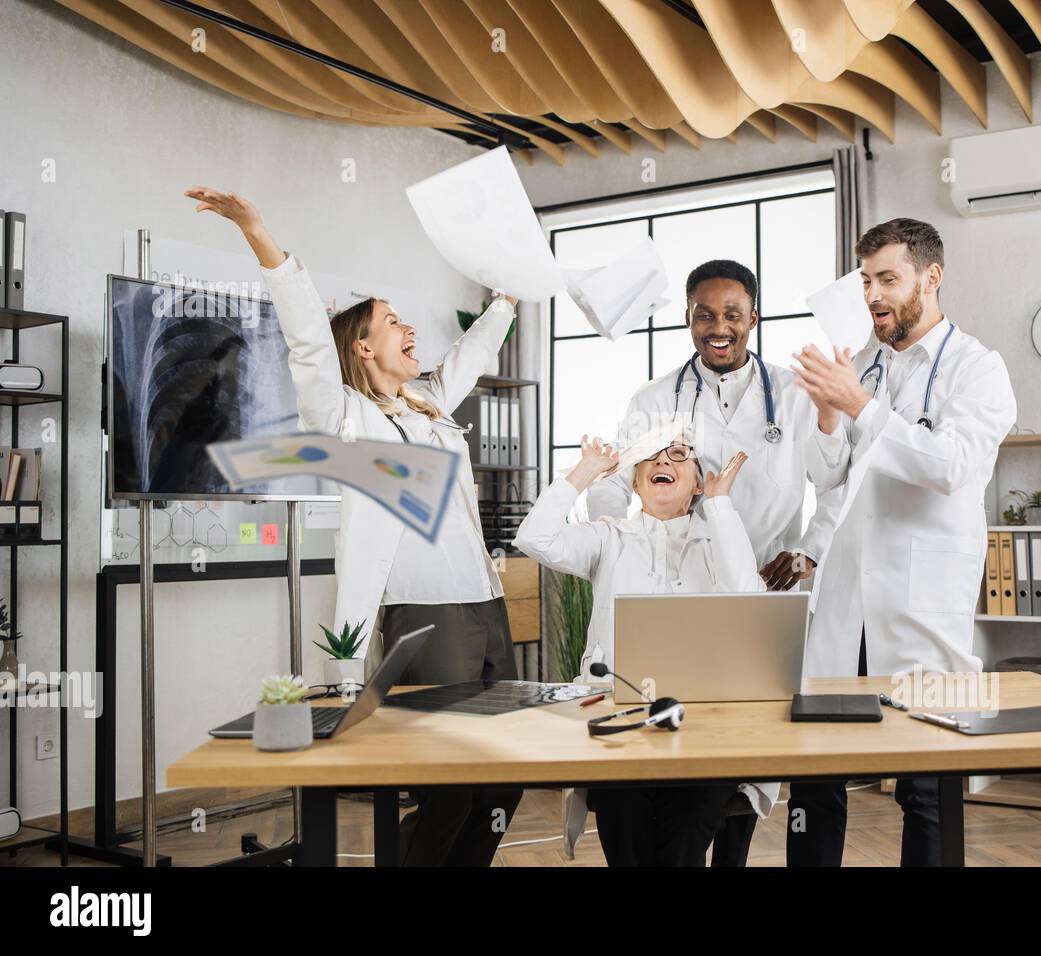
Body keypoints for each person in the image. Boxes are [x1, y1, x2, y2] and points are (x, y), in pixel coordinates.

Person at [186, 186, 523, 867]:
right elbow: (308, 335)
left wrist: (510, 298)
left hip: (484, 604)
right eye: (392, 321)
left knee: (509, 768)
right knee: (450, 780)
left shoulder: (427, 406)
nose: (409, 329)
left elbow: (470, 355)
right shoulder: (345, 416)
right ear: (363, 349)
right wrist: (258, 230)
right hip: (426, 612)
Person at [585, 260, 845, 865]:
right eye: (705, 314)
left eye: (732, 314)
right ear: (688, 319)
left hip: (763, 597)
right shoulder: (655, 398)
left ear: (754, 317)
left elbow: (835, 484)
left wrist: (807, 550)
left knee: (743, 747)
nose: (718, 327)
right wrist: (611, 530)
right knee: (681, 737)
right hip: (679, 593)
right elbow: (615, 481)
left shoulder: (797, 395)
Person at [789, 217, 1017, 867]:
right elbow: (829, 477)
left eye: (888, 278)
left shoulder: (978, 369)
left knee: (926, 786)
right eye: (866, 281)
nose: (873, 296)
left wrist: (858, 407)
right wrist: (830, 419)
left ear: (931, 276)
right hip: (843, 605)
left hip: (920, 610)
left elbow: (951, 466)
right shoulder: (866, 369)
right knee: (816, 778)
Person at [513, 432, 766, 866]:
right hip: (619, 719)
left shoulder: (719, 538)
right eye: (649, 456)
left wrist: (720, 503)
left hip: (704, 729)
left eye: (678, 454)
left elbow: (748, 597)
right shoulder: (609, 538)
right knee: (622, 816)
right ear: (634, 482)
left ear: (698, 482)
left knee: (689, 824)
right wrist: (584, 473)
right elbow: (534, 539)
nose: (660, 460)